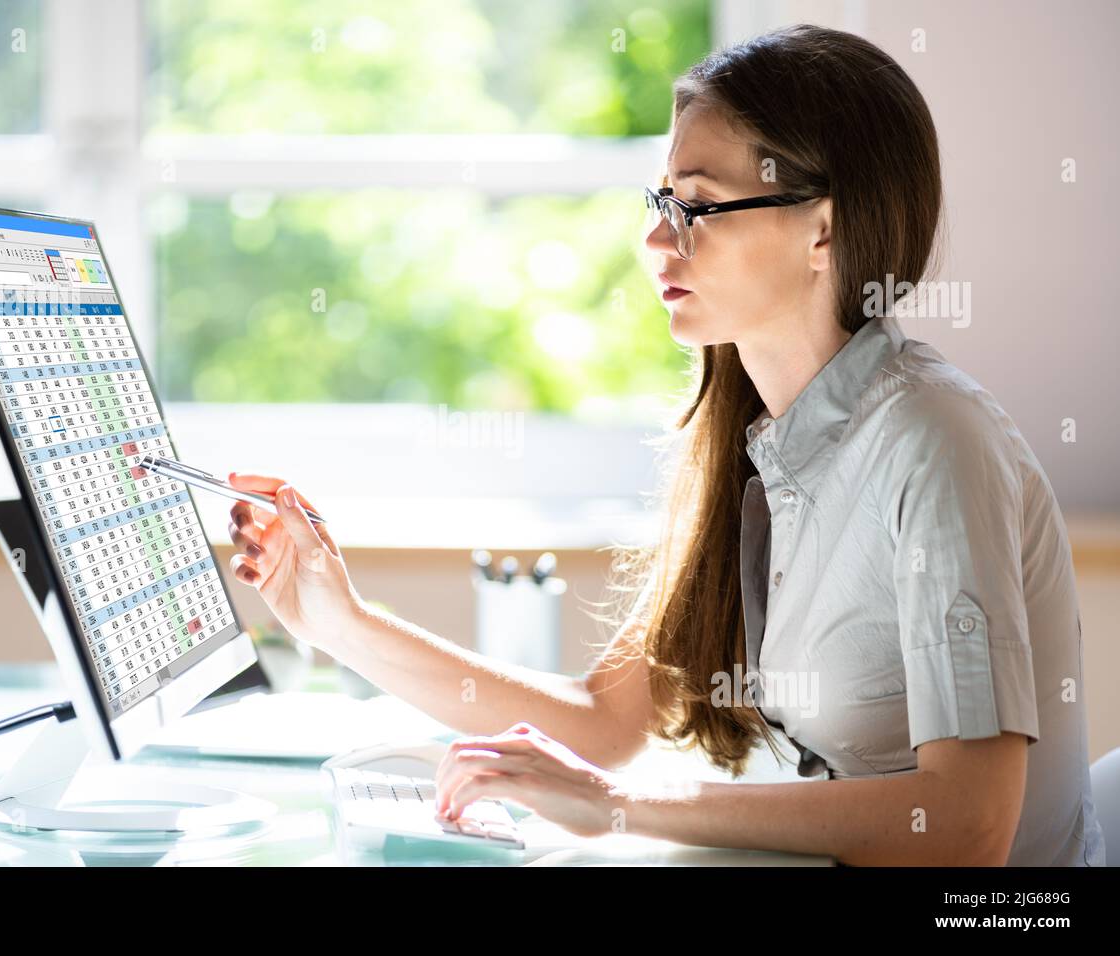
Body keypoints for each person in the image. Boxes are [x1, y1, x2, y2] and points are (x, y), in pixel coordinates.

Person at [225, 23, 1104, 867]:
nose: (654, 241)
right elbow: (604, 722)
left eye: (699, 206)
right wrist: (340, 621)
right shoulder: (762, 446)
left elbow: (966, 831)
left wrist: (616, 810)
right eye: (661, 201)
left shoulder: (932, 444)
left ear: (823, 230)